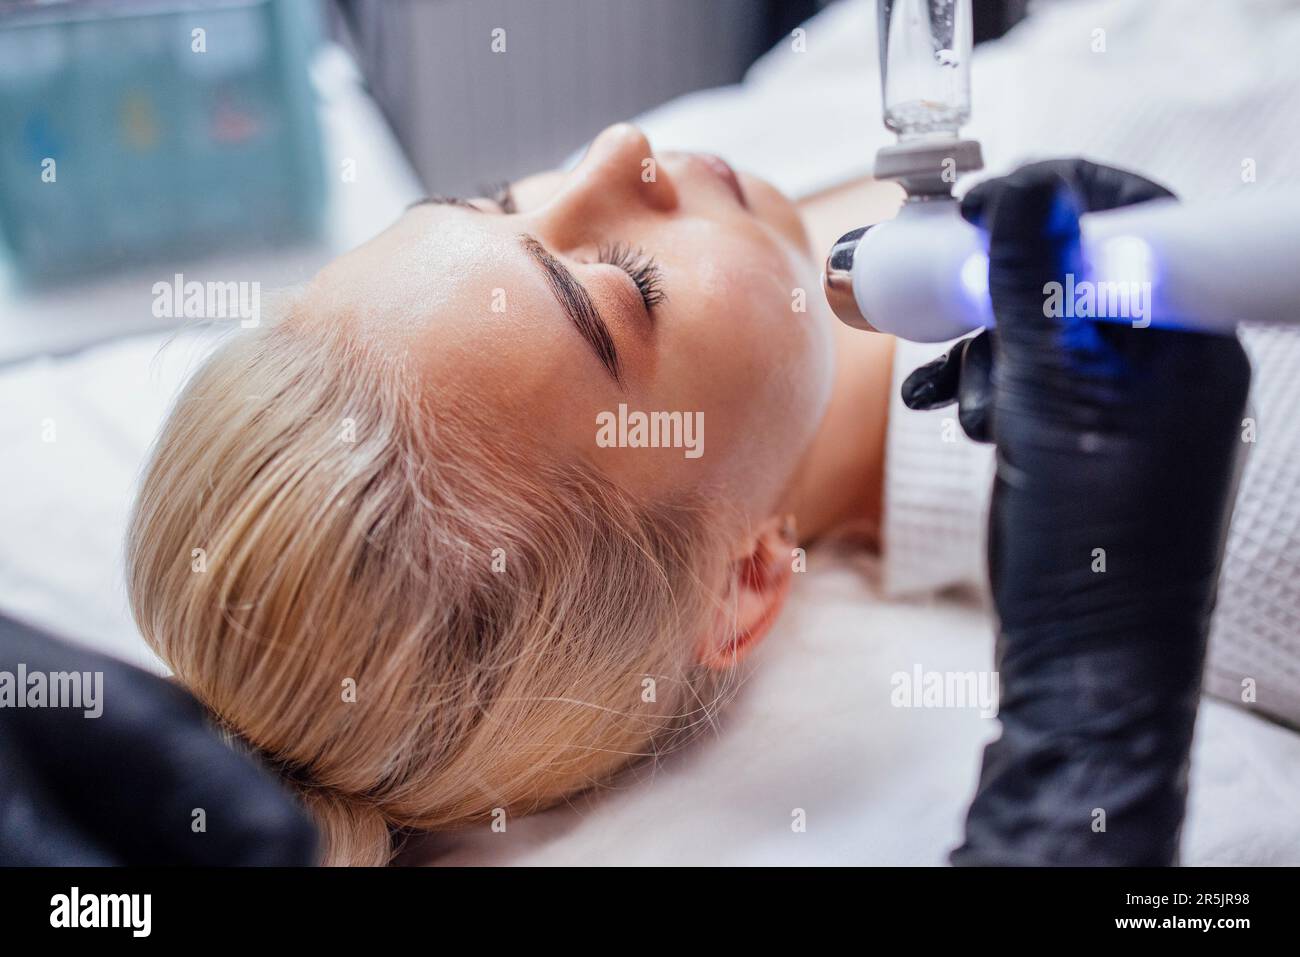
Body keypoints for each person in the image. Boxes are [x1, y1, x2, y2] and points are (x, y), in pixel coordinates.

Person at [118, 119, 1251, 866]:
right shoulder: (1241, 496)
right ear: (743, 583)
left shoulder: (767, 169)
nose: (617, 147)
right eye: (626, 286)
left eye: (494, 196)